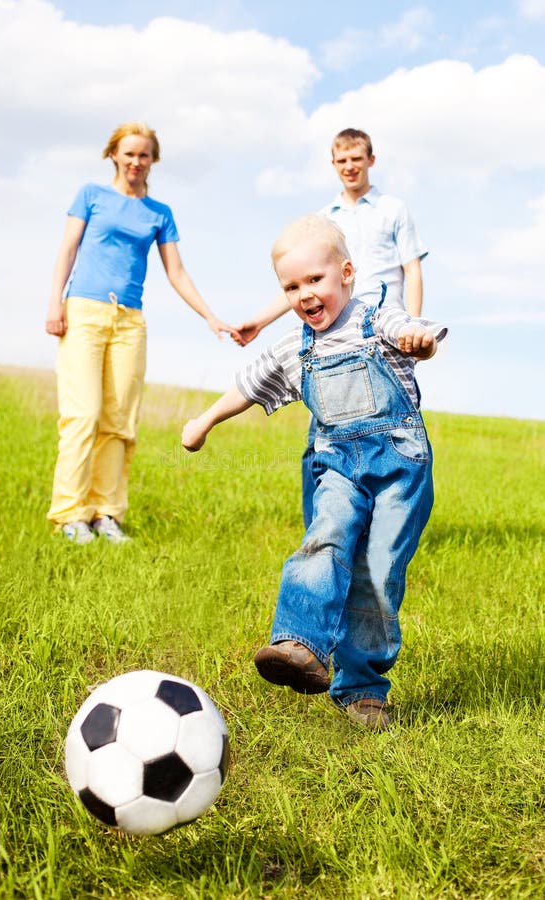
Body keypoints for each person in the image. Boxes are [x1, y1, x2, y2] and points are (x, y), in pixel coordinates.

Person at [182, 215, 446, 731]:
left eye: (314, 279)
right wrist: (204, 421)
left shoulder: (377, 317)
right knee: (325, 539)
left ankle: (362, 690)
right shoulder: (294, 347)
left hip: (399, 471)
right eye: (291, 286)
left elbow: (412, 331)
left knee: (377, 574)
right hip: (339, 469)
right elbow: (248, 384)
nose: (304, 294)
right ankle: (298, 644)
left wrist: (421, 341)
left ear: (345, 274)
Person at [46, 122, 237, 544]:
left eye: (144, 155)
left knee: (119, 421)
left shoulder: (159, 213)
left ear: (153, 160)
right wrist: (54, 303)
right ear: (113, 154)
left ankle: (106, 514)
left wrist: (210, 316)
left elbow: (177, 272)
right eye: (129, 153)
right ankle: (70, 515)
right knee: (83, 415)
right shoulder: (91, 196)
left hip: (129, 321)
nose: (136, 161)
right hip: (84, 312)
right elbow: (67, 250)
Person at [233, 127, 428, 527]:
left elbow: (412, 270)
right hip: (332, 338)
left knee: (390, 431)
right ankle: (322, 531)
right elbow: (305, 286)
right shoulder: (324, 219)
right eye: (342, 160)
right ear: (333, 164)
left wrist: (411, 328)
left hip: (380, 335)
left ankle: (383, 520)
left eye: (356, 159)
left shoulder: (393, 209)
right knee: (322, 439)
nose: (349, 166)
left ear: (370, 160)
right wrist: (260, 321)